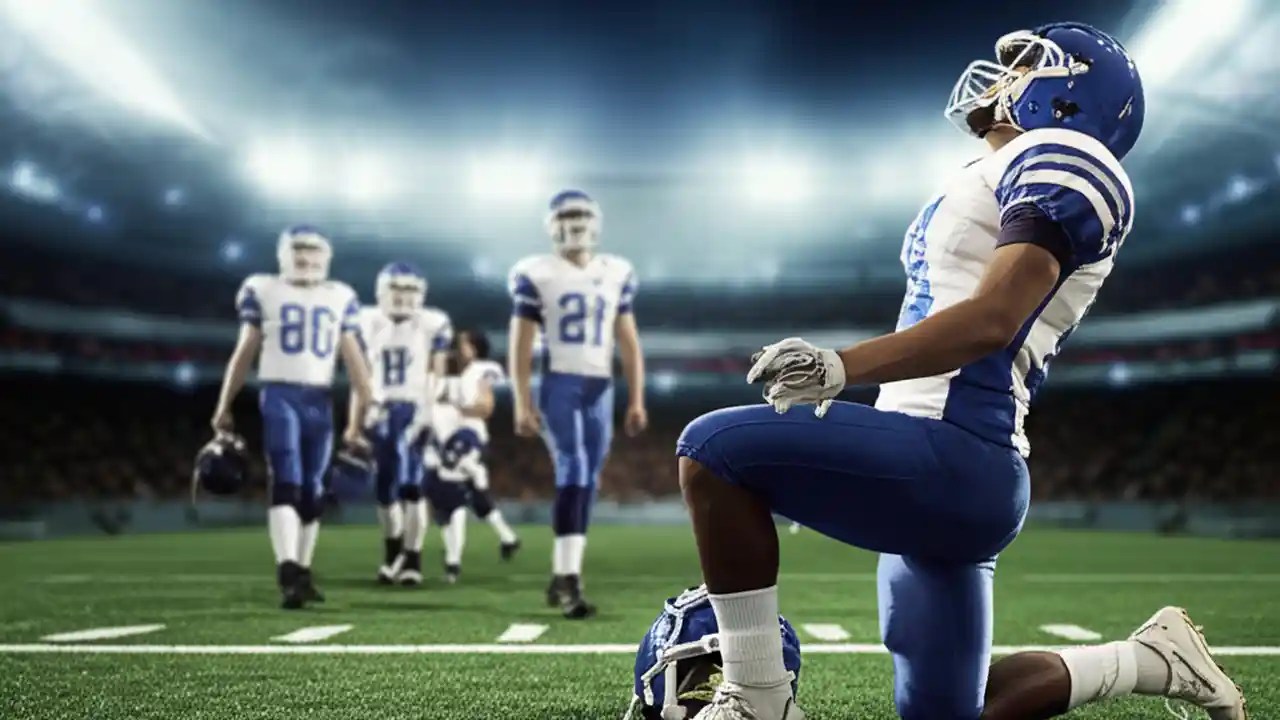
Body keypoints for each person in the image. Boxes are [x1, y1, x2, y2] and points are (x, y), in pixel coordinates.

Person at [674, 23, 1244, 720]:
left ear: (1067, 96)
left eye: (1028, 67)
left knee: (712, 452)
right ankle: (1151, 658)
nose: (1004, 80)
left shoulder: (1067, 152)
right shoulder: (1008, 166)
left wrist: (839, 365)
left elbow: (991, 321)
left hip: (950, 451)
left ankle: (759, 701)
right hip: (942, 457)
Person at [211, 225, 373, 610]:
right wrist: (224, 403)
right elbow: (245, 350)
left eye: (314, 251)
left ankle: (302, 569)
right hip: (280, 393)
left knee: (314, 489)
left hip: (320, 398)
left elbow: (355, 362)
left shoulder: (340, 296)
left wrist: (363, 411)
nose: (306, 258)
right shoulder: (264, 288)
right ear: (283, 255)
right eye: (298, 250)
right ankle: (286, 568)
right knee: (287, 477)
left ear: (327, 259)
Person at [507, 189, 648, 618]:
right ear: (552, 224)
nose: (575, 222)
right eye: (567, 214)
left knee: (589, 478)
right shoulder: (537, 272)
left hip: (600, 386)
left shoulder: (615, 271)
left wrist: (636, 397)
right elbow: (521, 343)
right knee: (575, 469)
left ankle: (564, 572)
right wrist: (521, 399)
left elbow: (628, 340)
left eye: (582, 214)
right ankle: (569, 579)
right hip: (561, 382)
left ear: (596, 223)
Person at [356, 262, 451, 586]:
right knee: (384, 489)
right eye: (397, 289)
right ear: (382, 292)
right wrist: (354, 423)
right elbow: (362, 376)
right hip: (380, 410)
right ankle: (393, 550)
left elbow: (437, 371)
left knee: (412, 487)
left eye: (410, 290)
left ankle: (413, 558)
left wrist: (430, 409)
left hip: (414, 408)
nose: (404, 297)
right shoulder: (367, 321)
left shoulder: (431, 323)